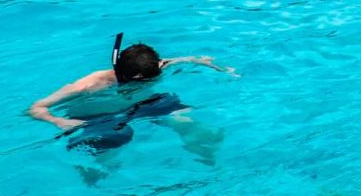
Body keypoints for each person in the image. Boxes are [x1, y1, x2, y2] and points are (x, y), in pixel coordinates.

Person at [28, 34, 231, 133]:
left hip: (140, 104)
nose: (159, 70)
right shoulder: (87, 85)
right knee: (116, 144)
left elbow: (186, 59)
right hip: (97, 116)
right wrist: (59, 121)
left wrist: (210, 64)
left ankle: (203, 149)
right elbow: (36, 108)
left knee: (179, 111)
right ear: (137, 78)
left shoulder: (149, 67)